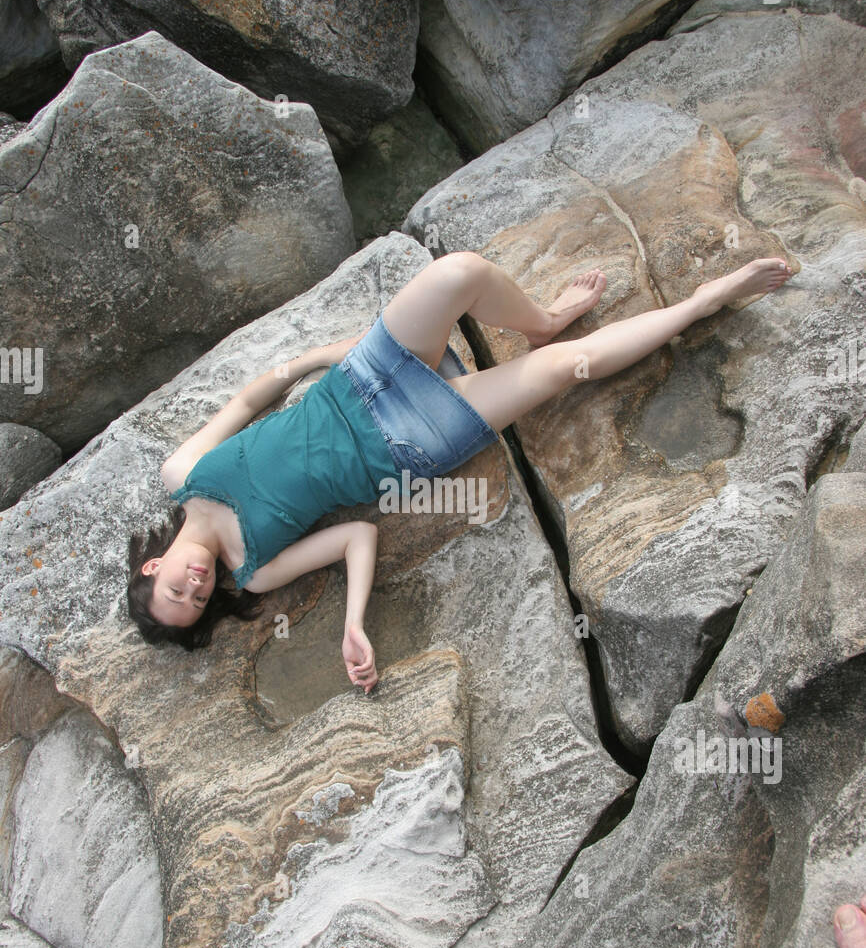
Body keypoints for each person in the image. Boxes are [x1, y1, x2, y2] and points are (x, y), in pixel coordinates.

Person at [127, 252, 793, 688]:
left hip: (360, 375)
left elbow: (247, 400)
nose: (197, 588)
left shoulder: (181, 474)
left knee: (460, 273)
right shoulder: (254, 565)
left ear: (152, 569)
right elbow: (358, 538)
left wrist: (310, 360)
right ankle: (704, 302)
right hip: (409, 441)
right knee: (565, 370)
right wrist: (354, 624)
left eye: (176, 592)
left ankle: (543, 318)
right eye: (197, 603)